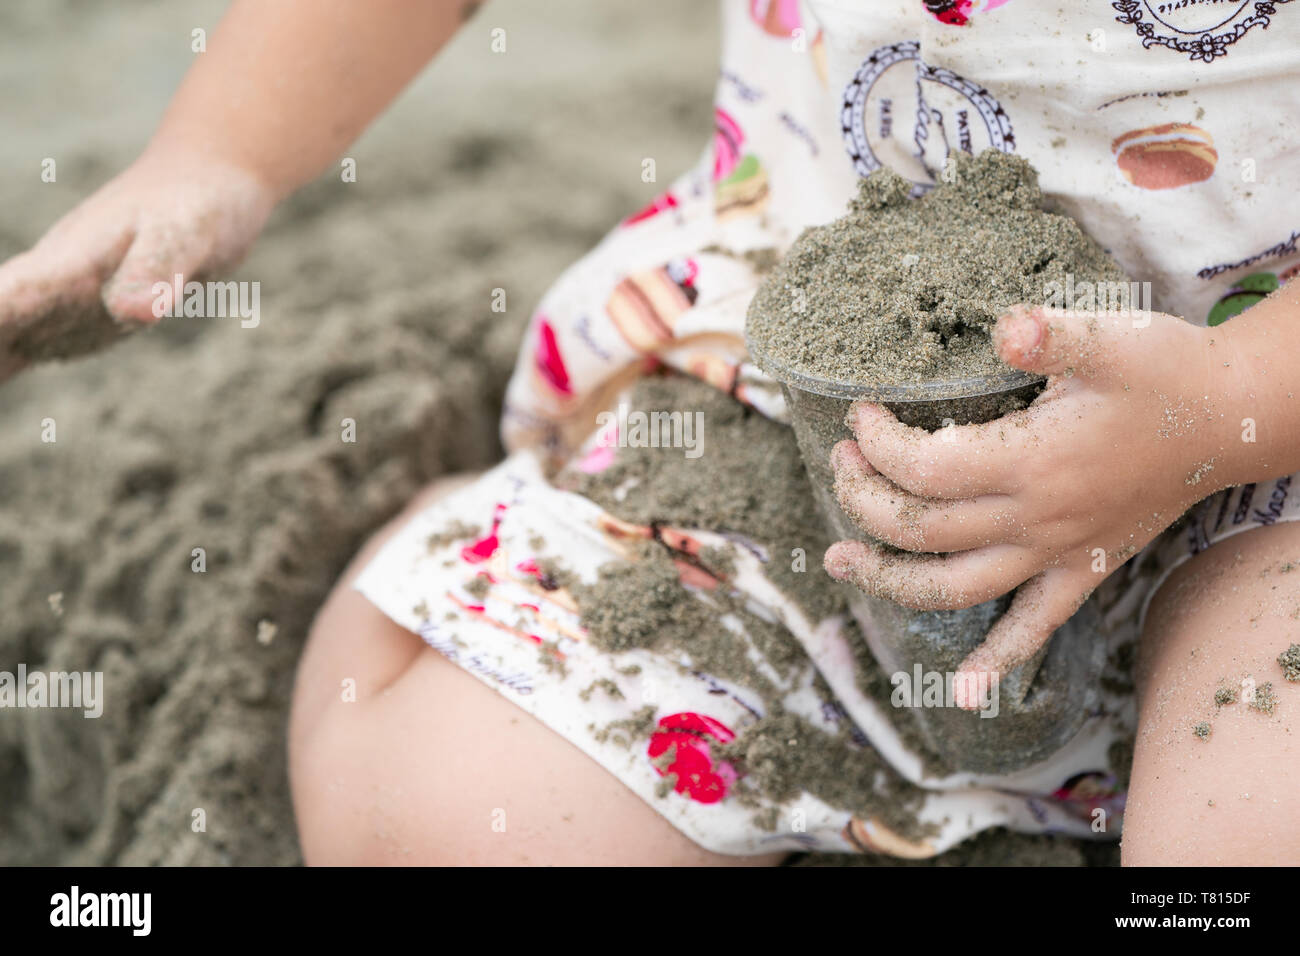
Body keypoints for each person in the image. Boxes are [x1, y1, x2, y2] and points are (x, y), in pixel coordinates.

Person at [2, 0, 1297, 865]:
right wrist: (221, 150)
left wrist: (1220, 408)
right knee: (448, 803)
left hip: (1264, 444)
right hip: (809, 372)